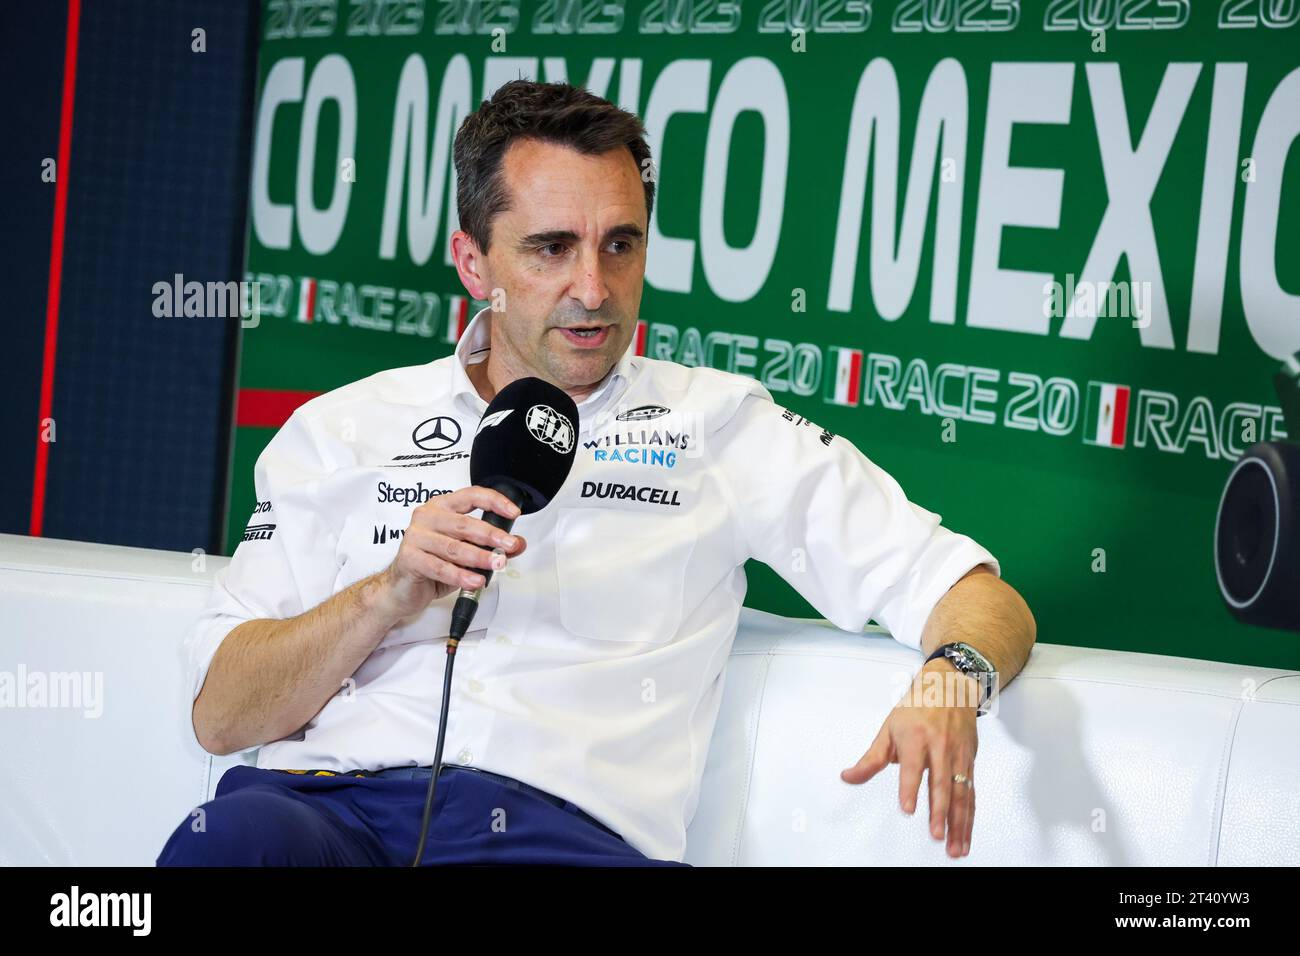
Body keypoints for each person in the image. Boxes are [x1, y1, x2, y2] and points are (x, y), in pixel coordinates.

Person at [158, 79, 1036, 868]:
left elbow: (976, 596)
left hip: (562, 837)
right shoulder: (343, 428)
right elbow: (221, 715)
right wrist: (385, 594)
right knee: (232, 843)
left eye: (620, 245)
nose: (594, 287)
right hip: (326, 814)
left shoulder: (721, 428)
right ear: (475, 264)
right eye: (550, 249)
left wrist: (952, 677)